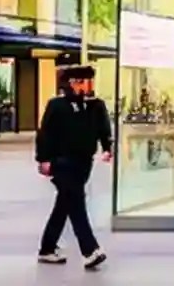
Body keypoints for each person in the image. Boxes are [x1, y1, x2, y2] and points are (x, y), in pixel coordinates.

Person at [36, 65, 111, 270]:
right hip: (62, 161)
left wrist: (107, 148)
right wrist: (43, 159)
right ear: (71, 83)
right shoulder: (57, 105)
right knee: (76, 202)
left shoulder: (96, 106)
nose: (86, 85)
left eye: (89, 81)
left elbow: (104, 128)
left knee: (64, 204)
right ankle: (90, 250)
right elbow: (45, 134)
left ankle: (47, 248)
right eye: (81, 81)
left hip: (84, 162)